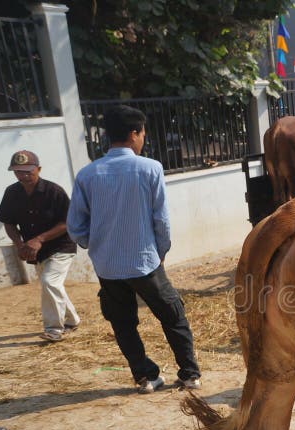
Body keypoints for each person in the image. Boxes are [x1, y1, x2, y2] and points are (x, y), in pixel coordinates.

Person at [67, 105, 202, 394]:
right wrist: (161, 251)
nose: (143, 139)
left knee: (122, 323)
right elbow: (161, 219)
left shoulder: (87, 174)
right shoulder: (150, 168)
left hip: (108, 267)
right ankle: (189, 374)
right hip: (145, 262)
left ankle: (146, 377)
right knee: (173, 315)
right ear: (133, 134)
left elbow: (76, 226)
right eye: (142, 134)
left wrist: (98, 244)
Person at [0, 150, 80, 342]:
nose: (23, 176)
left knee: (49, 282)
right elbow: (8, 223)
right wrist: (20, 245)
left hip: (61, 245)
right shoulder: (11, 192)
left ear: (38, 169)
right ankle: (72, 319)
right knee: (53, 285)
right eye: (18, 172)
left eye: (28, 171)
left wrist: (39, 239)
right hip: (35, 250)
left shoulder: (54, 191)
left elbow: (67, 222)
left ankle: (54, 330)